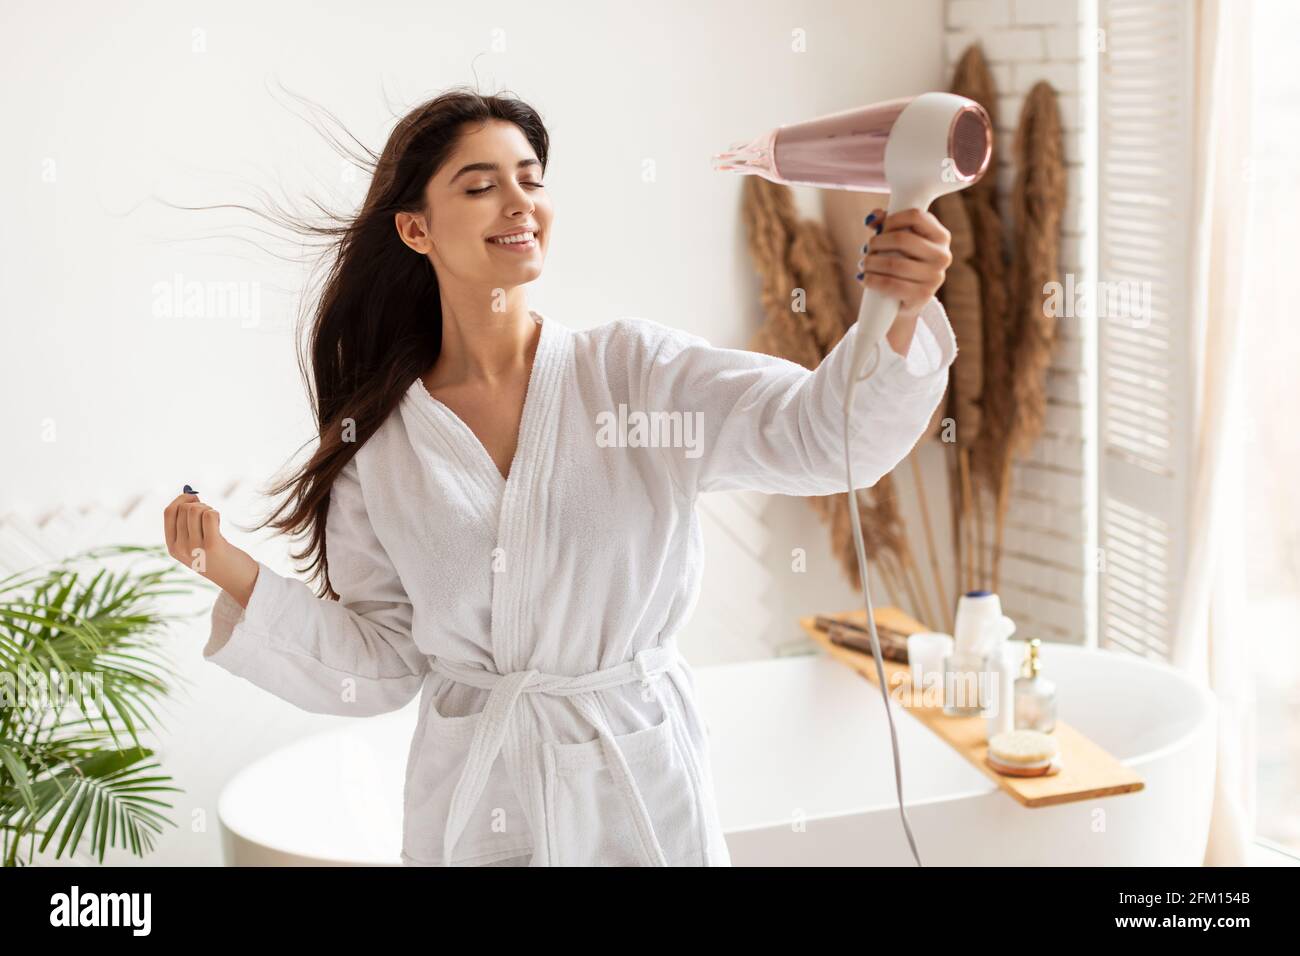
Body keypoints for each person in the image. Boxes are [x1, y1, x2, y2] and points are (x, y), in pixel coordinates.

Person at [162, 87, 956, 867]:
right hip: (475, 796)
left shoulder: (635, 374)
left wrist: (900, 311)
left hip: (634, 782)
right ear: (415, 229)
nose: (518, 201)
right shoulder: (383, 441)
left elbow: (823, 436)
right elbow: (383, 663)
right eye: (480, 186)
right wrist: (228, 570)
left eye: (531, 179)